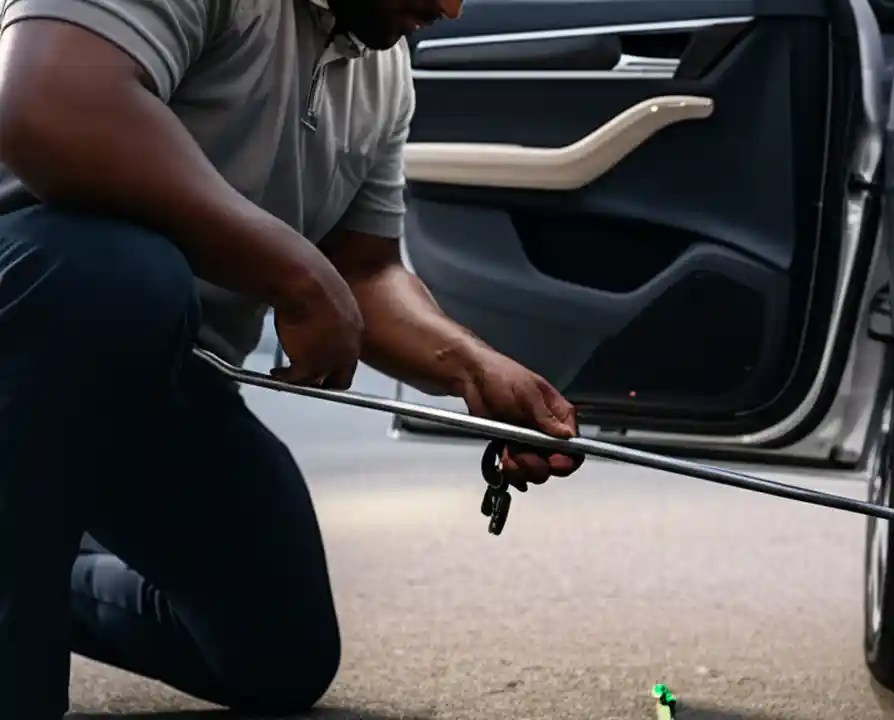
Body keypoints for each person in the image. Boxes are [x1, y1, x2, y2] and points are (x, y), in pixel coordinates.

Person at [0, 0, 585, 716]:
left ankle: (39, 570)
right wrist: (295, 274)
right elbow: (46, 102)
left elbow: (361, 269)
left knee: (279, 651)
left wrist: (471, 367)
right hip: (35, 305)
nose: (451, 7)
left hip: (151, 367)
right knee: (111, 275)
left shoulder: (384, 65)